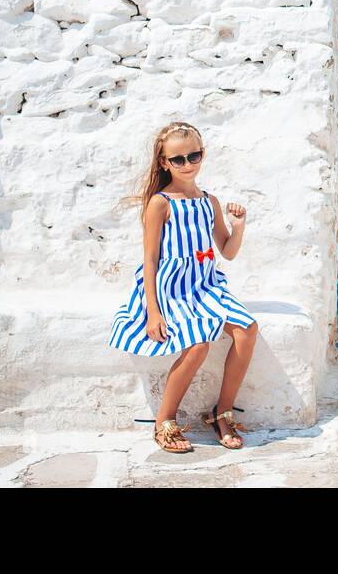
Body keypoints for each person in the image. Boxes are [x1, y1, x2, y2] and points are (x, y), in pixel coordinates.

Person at [106, 121, 259, 452]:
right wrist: (153, 312)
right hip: (171, 290)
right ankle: (165, 420)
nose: (188, 165)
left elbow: (227, 252)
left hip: (205, 286)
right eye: (178, 160)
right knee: (197, 344)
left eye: (195, 156)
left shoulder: (209, 202)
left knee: (247, 329)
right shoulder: (160, 203)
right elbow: (149, 260)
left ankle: (222, 411)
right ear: (164, 163)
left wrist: (239, 227)